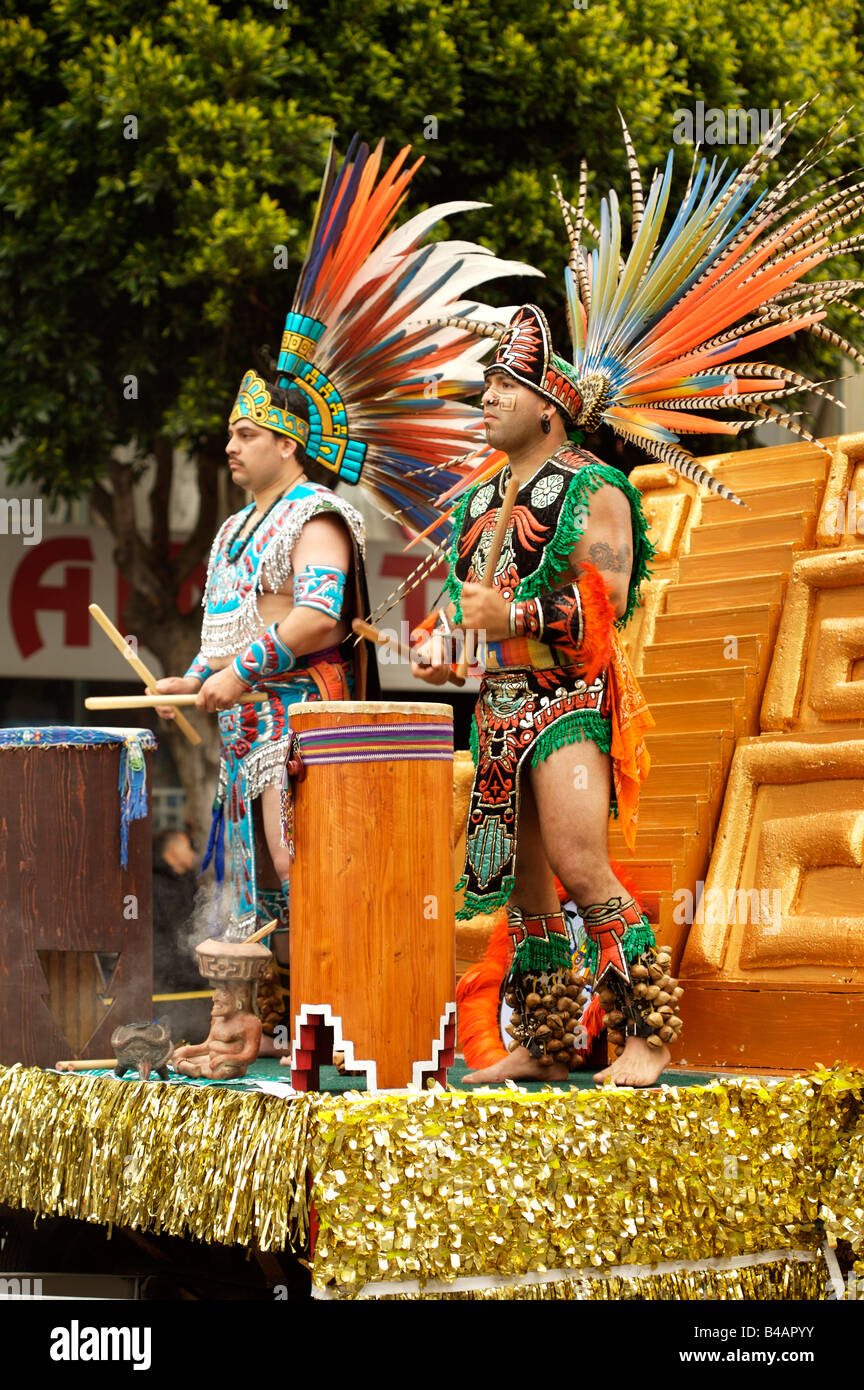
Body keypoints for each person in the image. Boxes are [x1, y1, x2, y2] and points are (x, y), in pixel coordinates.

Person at [412, 303, 674, 1087]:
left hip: (567, 701)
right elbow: (461, 609)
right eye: (486, 385)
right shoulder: (479, 501)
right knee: (526, 889)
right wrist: (437, 643)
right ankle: (549, 1037)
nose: (485, 398)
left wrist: (514, 614)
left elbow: (610, 600)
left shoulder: (599, 488)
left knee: (579, 864)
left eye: (501, 385)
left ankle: (647, 1030)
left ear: (550, 407)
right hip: (497, 709)